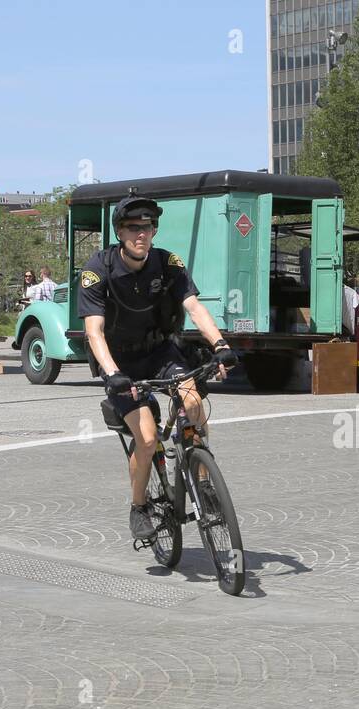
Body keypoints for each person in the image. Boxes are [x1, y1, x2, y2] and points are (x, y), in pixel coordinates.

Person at [78, 194, 238, 542]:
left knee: (194, 405)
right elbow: (94, 330)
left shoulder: (168, 264)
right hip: (119, 362)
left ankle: (204, 483)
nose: (142, 233)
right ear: (120, 230)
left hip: (161, 351)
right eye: (134, 227)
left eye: (148, 227)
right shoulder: (98, 269)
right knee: (148, 439)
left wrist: (220, 346)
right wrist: (113, 373)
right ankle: (139, 507)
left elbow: (194, 307)